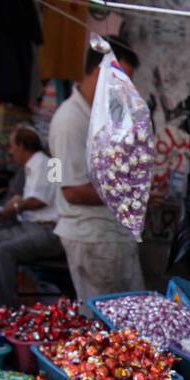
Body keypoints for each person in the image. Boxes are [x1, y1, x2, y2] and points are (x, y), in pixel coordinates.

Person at [49, 36, 143, 301]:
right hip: (93, 239)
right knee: (104, 321)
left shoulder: (101, 114)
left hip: (109, 237)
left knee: (125, 319)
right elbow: (73, 191)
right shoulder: (70, 121)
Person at [0, 126, 61, 307]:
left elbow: (38, 200)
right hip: (30, 225)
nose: (11, 151)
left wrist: (11, 208)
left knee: (3, 251)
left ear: (22, 146)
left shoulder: (44, 163)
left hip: (47, 230)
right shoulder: (32, 165)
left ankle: (1, 306)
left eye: (12, 146)